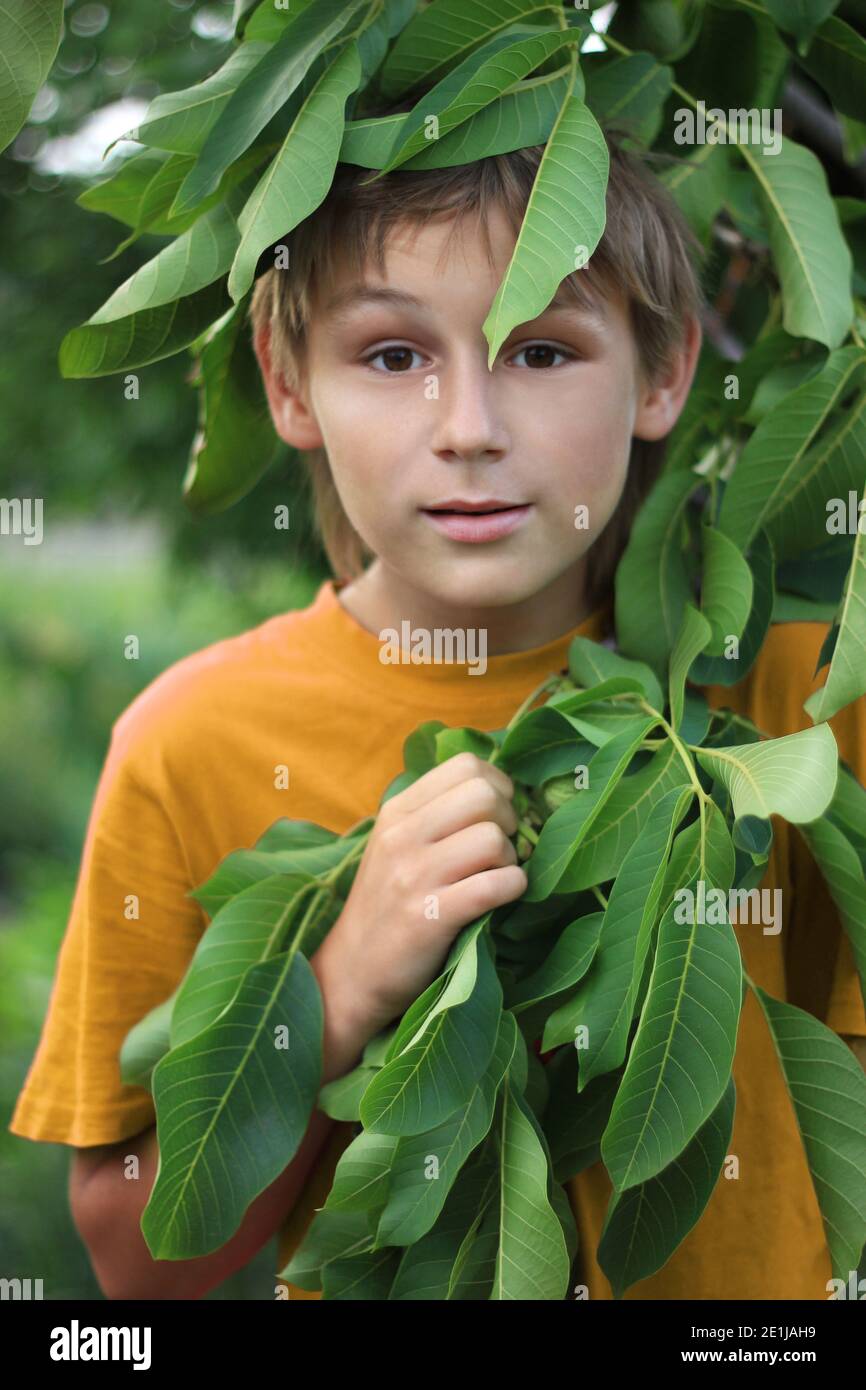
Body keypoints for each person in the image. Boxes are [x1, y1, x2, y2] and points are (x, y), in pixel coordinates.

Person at [9, 133, 865, 1301]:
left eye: (544, 350)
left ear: (664, 368)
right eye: (395, 351)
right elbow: (134, 1256)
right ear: (285, 377)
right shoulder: (193, 741)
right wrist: (341, 985)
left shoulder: (804, 705)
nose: (467, 425)